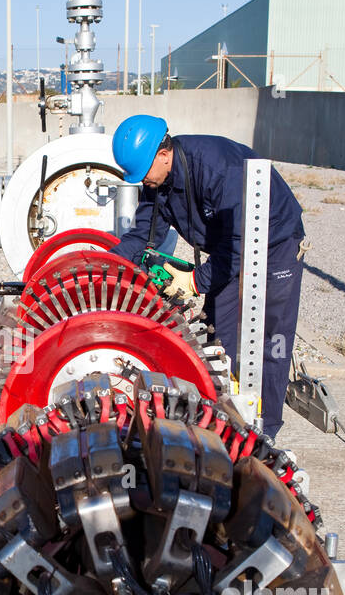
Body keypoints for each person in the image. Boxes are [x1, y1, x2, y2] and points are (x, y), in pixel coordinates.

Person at [110, 115, 306, 440]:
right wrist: (108, 265)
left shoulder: (217, 168)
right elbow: (145, 232)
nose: (142, 181)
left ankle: (264, 435)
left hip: (274, 244)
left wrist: (194, 282)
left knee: (270, 342)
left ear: (163, 153)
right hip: (229, 249)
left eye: (144, 172)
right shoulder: (158, 181)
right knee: (220, 341)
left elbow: (243, 241)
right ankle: (226, 422)